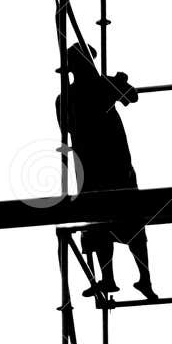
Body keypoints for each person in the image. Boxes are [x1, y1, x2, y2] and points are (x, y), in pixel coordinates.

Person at [57, 36, 157, 301]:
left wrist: (117, 84)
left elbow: (65, 132)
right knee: (130, 222)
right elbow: (132, 97)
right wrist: (120, 82)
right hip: (114, 166)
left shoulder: (64, 98)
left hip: (89, 169)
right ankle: (142, 278)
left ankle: (110, 278)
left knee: (102, 221)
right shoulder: (100, 86)